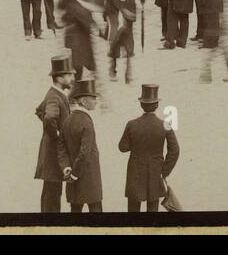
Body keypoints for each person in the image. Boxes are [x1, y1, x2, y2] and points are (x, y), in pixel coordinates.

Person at [118, 84, 180, 213]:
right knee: (153, 211)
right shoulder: (165, 125)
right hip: (156, 172)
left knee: (133, 212)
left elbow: (122, 147)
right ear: (157, 105)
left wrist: (135, 142)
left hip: (135, 172)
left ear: (141, 104)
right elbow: (175, 151)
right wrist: (164, 171)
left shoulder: (131, 124)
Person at [35, 52, 74, 213]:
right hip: (53, 154)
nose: (71, 78)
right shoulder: (54, 97)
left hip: (51, 152)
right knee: (52, 194)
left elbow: (39, 111)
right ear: (59, 78)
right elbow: (49, 116)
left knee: (50, 191)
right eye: (68, 75)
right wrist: (57, 136)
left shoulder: (54, 94)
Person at [63, 78, 104, 213]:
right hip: (89, 178)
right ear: (84, 101)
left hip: (72, 179)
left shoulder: (67, 120)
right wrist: (75, 174)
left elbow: (61, 147)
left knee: (75, 212)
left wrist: (67, 168)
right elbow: (84, 152)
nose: (95, 101)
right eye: (93, 98)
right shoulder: (87, 122)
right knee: (96, 211)